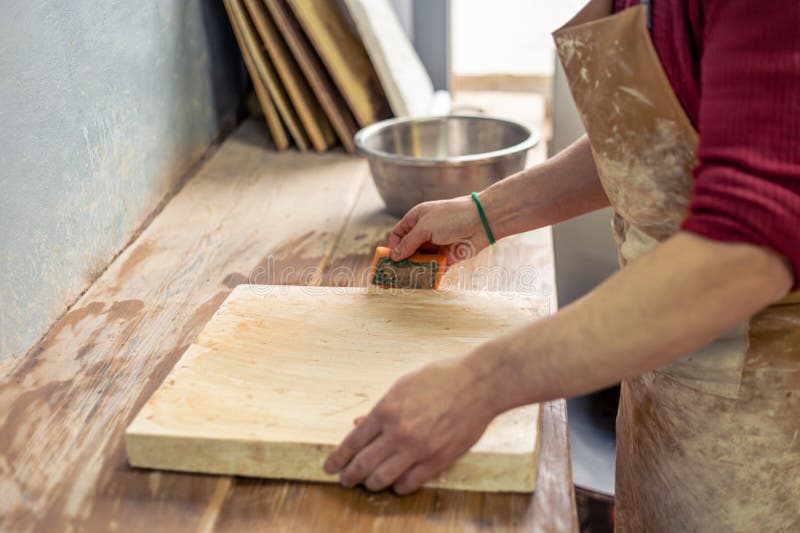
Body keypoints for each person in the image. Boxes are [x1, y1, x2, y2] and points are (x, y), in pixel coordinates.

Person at [325, 0, 800, 529]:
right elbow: (660, 143)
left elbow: (743, 253)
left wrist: (478, 384)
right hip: (667, 390)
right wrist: (486, 214)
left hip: (768, 423)